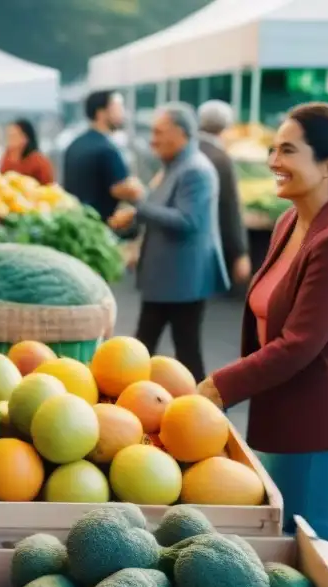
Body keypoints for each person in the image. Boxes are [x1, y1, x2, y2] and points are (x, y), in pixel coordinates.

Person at [197, 103, 328, 546]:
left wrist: (215, 388)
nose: (273, 162)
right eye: (272, 149)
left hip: (323, 420)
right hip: (291, 408)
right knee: (284, 533)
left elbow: (297, 345)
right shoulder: (291, 221)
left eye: (287, 150)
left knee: (313, 543)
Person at [108, 102, 228, 382]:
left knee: (179, 350)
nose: (153, 139)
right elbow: (161, 210)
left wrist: (139, 205)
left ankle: (201, 410)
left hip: (183, 280)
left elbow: (188, 221)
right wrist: (135, 215)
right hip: (170, 280)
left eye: (159, 131)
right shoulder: (176, 166)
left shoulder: (195, 170)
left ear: (181, 133)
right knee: (150, 346)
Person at [62, 91, 142, 221]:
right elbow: (122, 189)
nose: (123, 113)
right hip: (99, 225)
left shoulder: (74, 145)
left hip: (75, 220)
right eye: (118, 107)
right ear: (101, 113)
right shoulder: (106, 148)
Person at [198, 100, 251, 286]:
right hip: (210, 245)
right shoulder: (220, 159)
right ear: (227, 126)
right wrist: (240, 252)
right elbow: (230, 208)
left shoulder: (186, 152)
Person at [0, 119, 55, 184]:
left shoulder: (38, 161)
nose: (9, 139)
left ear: (25, 138)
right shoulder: (6, 156)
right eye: (8, 136)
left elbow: (48, 186)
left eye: (13, 135)